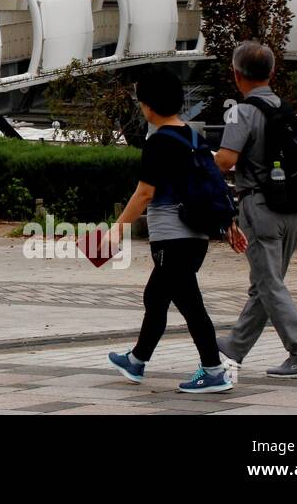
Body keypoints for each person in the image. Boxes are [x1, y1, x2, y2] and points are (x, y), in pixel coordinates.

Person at [106, 66, 233, 394]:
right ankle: (136, 361)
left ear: (147, 106)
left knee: (190, 303)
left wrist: (117, 228)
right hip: (196, 234)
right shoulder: (193, 137)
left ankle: (214, 370)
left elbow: (144, 193)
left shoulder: (158, 142)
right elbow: (215, 183)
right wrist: (228, 223)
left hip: (172, 236)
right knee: (156, 296)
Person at [214, 40, 297, 379]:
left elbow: (226, 161)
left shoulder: (242, 112)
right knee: (264, 283)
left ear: (236, 74)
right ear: (272, 72)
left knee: (270, 284)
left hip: (260, 209)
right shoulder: (285, 108)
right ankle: (235, 346)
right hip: (293, 211)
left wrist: (198, 161)